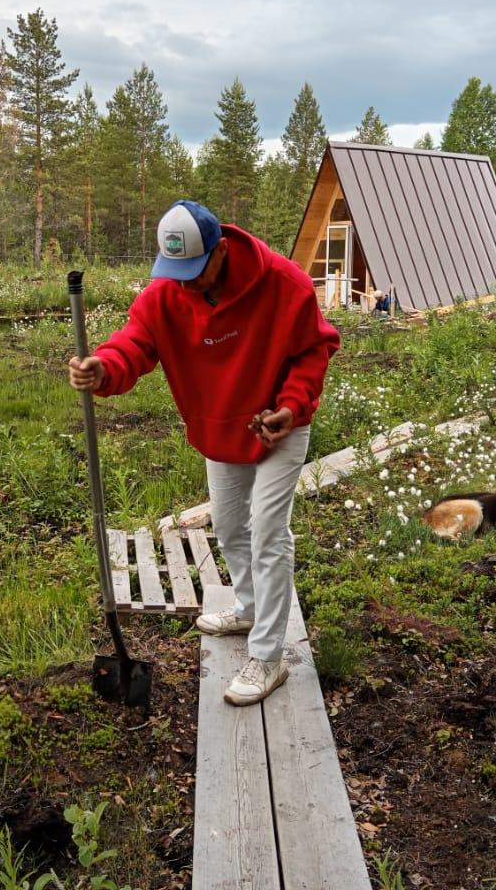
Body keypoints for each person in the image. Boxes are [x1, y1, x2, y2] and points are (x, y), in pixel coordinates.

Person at [68, 200, 340, 706]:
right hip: (219, 427)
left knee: (267, 530)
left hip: (277, 424)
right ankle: (250, 607)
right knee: (233, 527)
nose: (184, 283)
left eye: (193, 271)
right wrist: (103, 369)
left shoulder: (284, 284)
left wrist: (292, 404)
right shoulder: (164, 296)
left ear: (220, 250)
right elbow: (133, 345)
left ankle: (268, 657)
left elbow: (313, 349)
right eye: (175, 273)